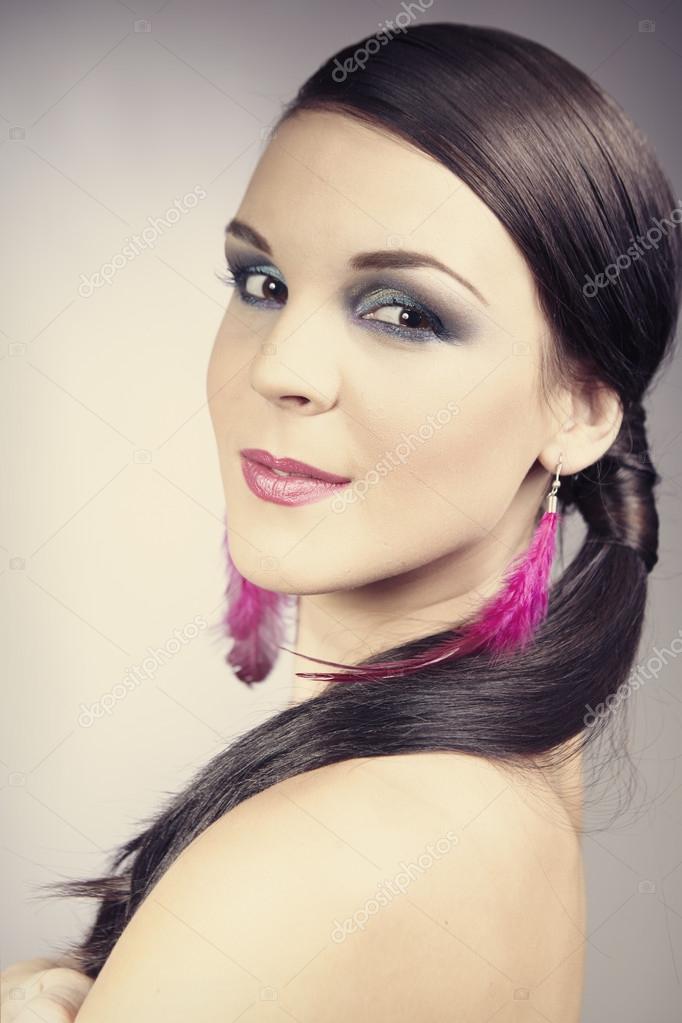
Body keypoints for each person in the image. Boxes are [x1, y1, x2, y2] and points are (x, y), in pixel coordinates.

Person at [3, 21, 680, 1022]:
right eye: (262, 284)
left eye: (403, 312)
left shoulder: (313, 864)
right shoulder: (513, 773)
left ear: (578, 407)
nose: (278, 368)